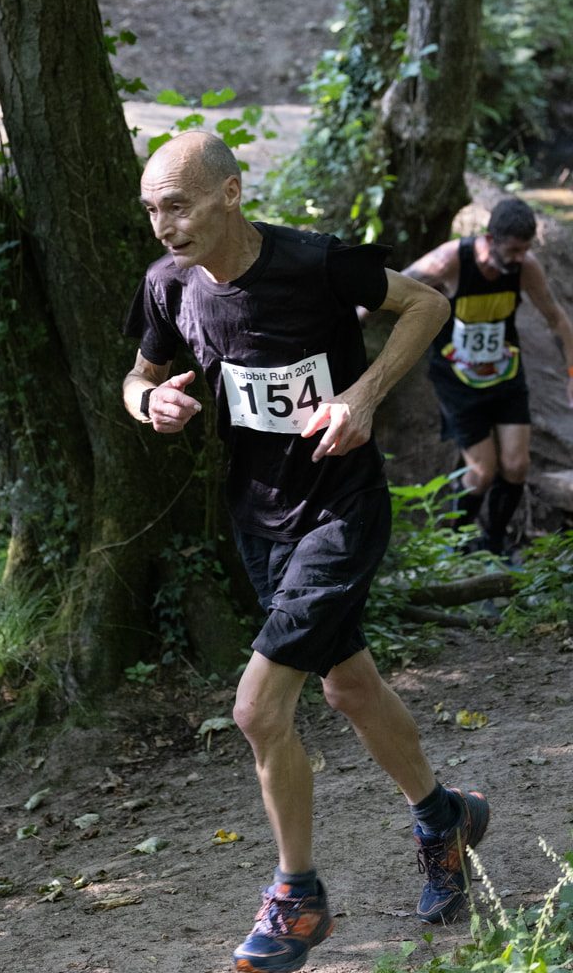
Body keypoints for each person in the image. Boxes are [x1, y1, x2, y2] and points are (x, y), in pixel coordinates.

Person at [122, 130, 490, 973]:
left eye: (177, 205)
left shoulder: (316, 262)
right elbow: (136, 377)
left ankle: (298, 898)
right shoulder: (168, 284)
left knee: (257, 710)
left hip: (340, 508)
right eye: (151, 210)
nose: (164, 225)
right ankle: (445, 819)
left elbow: (427, 305)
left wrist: (364, 394)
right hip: (258, 521)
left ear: (230, 194)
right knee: (349, 686)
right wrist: (150, 404)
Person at [402, 197, 573, 558]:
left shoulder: (526, 267)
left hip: (506, 373)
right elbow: (398, 285)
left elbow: (556, 318)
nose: (519, 258)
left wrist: (572, 371)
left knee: (516, 465)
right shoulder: (451, 259)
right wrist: (358, 315)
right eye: (513, 250)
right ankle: (458, 548)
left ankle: (495, 544)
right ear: (490, 239)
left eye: (525, 249)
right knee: (482, 471)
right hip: (457, 380)